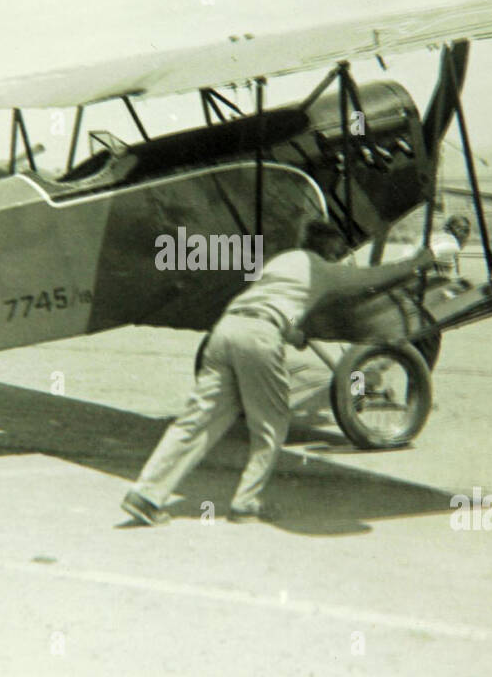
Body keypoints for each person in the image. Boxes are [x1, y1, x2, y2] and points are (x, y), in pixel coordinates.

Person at [120, 218, 435, 525]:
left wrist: (294, 335)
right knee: (272, 424)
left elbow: (271, 300)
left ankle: (145, 495)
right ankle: (245, 504)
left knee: (197, 420)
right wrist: (421, 260)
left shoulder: (282, 261)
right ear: (329, 249)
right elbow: (371, 279)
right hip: (260, 335)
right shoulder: (321, 269)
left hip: (227, 329)